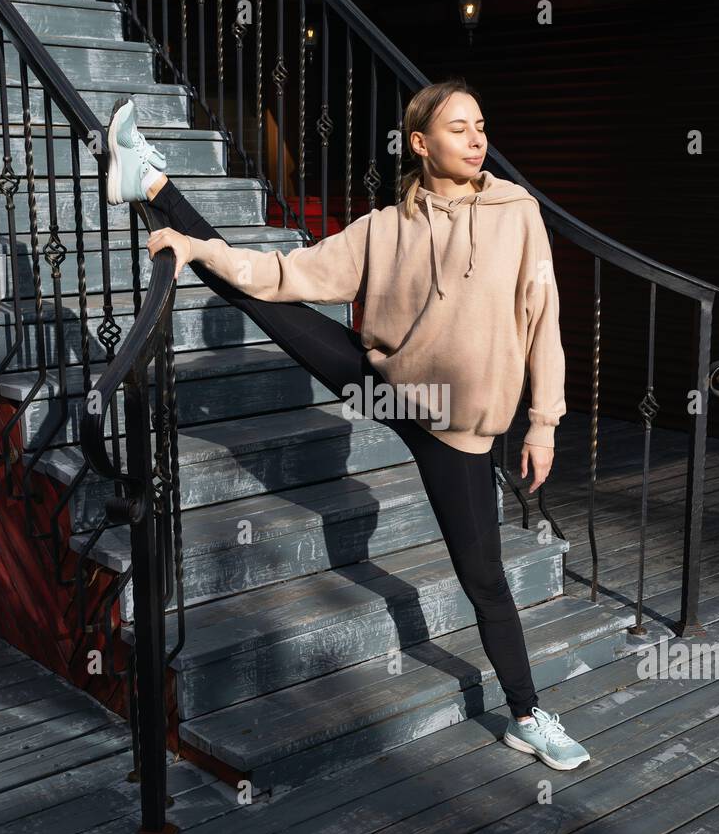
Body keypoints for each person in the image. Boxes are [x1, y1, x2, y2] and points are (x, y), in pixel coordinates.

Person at [103, 79, 590, 771]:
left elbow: (545, 321)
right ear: (420, 143)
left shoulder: (517, 212)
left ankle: (526, 715)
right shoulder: (382, 230)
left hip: (457, 432)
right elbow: (279, 273)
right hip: (387, 387)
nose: (477, 139)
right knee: (263, 297)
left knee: (483, 577)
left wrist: (544, 423)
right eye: (458, 128)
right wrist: (201, 250)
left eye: (481, 126)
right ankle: (152, 184)